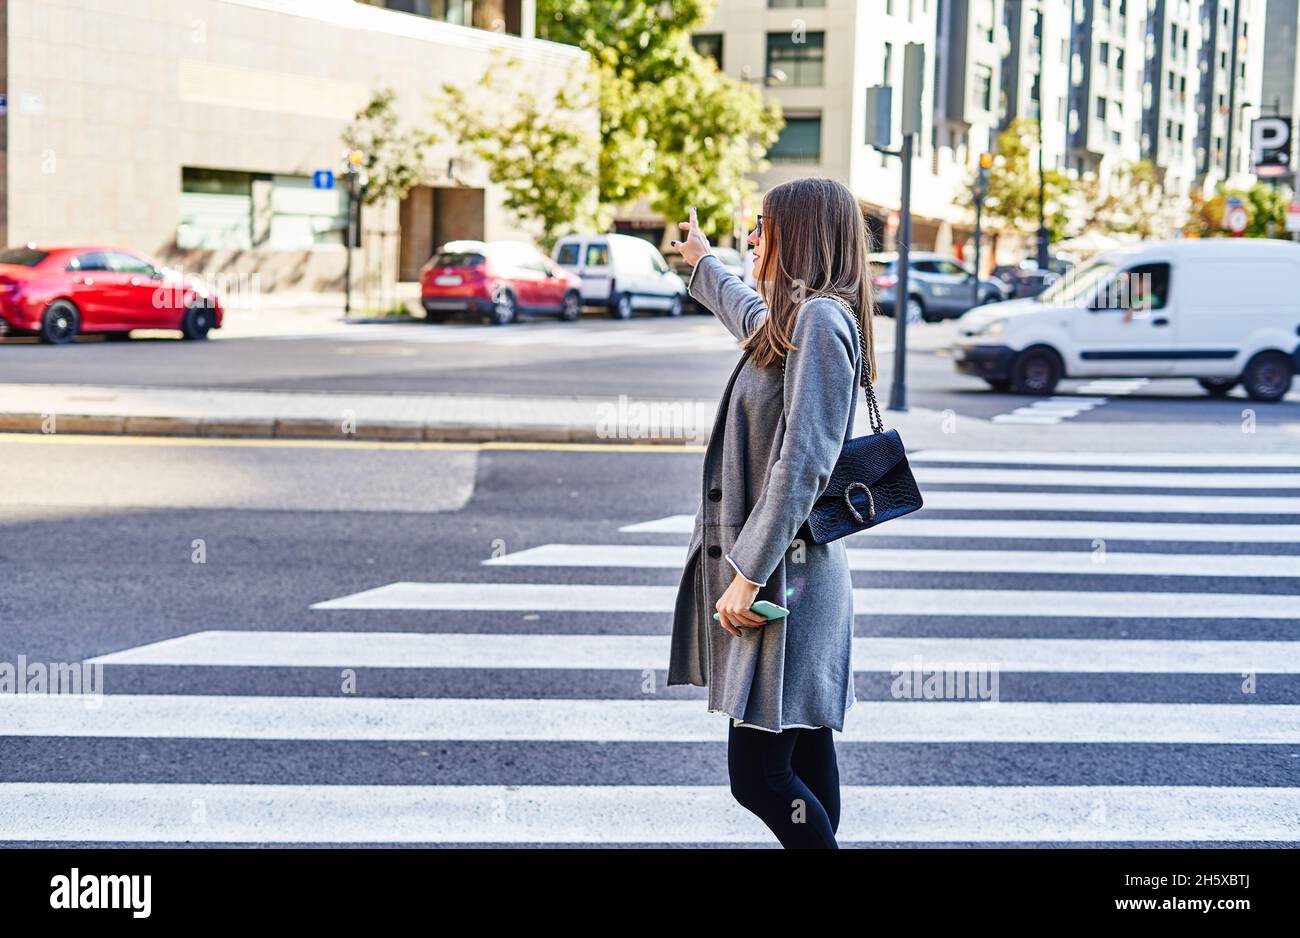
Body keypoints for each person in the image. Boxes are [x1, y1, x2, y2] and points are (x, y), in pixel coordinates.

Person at [666, 178, 877, 848]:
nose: (754, 237)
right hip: (796, 573)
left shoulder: (819, 321)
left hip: (787, 581)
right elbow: (748, 317)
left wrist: (746, 575)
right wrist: (703, 263)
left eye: (764, 225)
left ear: (801, 234)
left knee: (757, 774)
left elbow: (805, 461)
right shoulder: (798, 320)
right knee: (804, 756)